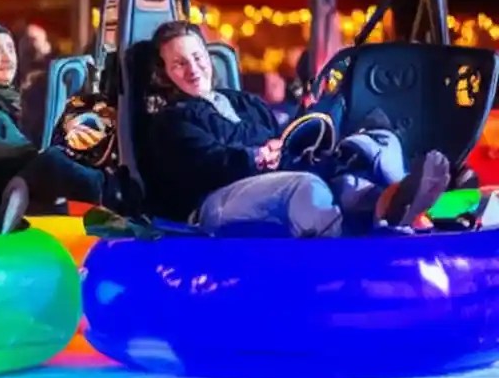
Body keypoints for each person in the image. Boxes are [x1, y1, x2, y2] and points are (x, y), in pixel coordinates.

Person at [143, 20, 449, 237]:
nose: (193, 69)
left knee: (368, 148)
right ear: (165, 74)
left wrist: (305, 127)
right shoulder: (172, 120)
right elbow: (205, 165)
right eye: (179, 64)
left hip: (276, 175)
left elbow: (284, 131)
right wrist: (256, 156)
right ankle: (344, 259)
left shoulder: (244, 102)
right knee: (306, 187)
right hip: (214, 201)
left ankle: (398, 201)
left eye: (197, 57)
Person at [0, 20, 111, 211]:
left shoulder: (12, 97)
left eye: (10, 50)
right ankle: (112, 194)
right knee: (54, 160)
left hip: (26, 171)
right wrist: (36, 157)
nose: (7, 58)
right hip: (5, 179)